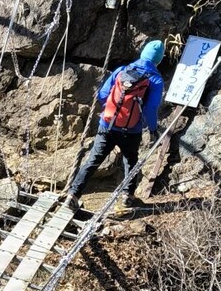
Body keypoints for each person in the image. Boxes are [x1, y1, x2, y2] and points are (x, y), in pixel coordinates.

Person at [67, 41, 165, 207]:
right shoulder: (155, 80)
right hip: (131, 129)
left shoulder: (122, 70)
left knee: (93, 161)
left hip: (107, 125)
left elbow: (103, 94)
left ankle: (73, 195)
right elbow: (151, 108)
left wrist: (111, 109)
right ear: (158, 60)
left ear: (143, 53)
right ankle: (127, 196)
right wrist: (153, 129)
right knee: (130, 161)